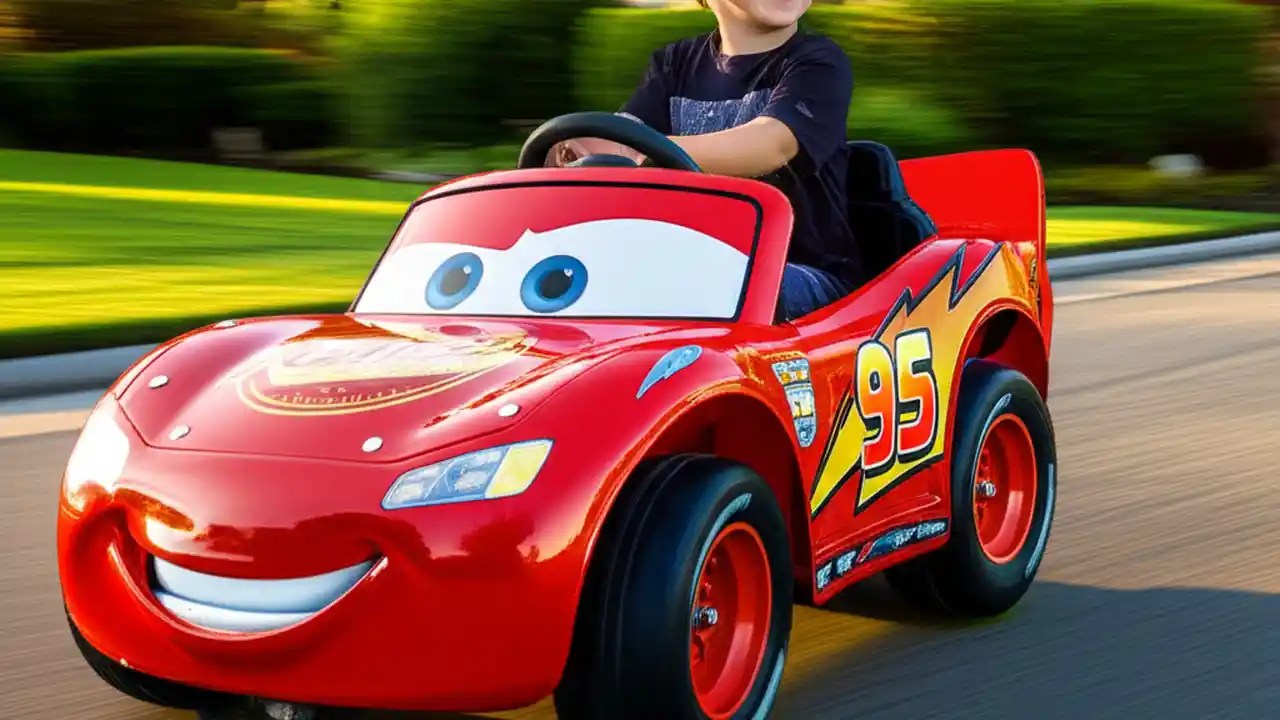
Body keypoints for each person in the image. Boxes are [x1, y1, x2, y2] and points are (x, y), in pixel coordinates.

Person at [553, 0, 863, 321]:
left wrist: (643, 152)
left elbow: (773, 144)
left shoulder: (819, 63)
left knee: (695, 280)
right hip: (693, 263)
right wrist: (575, 148)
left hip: (802, 275)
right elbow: (623, 134)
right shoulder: (675, 63)